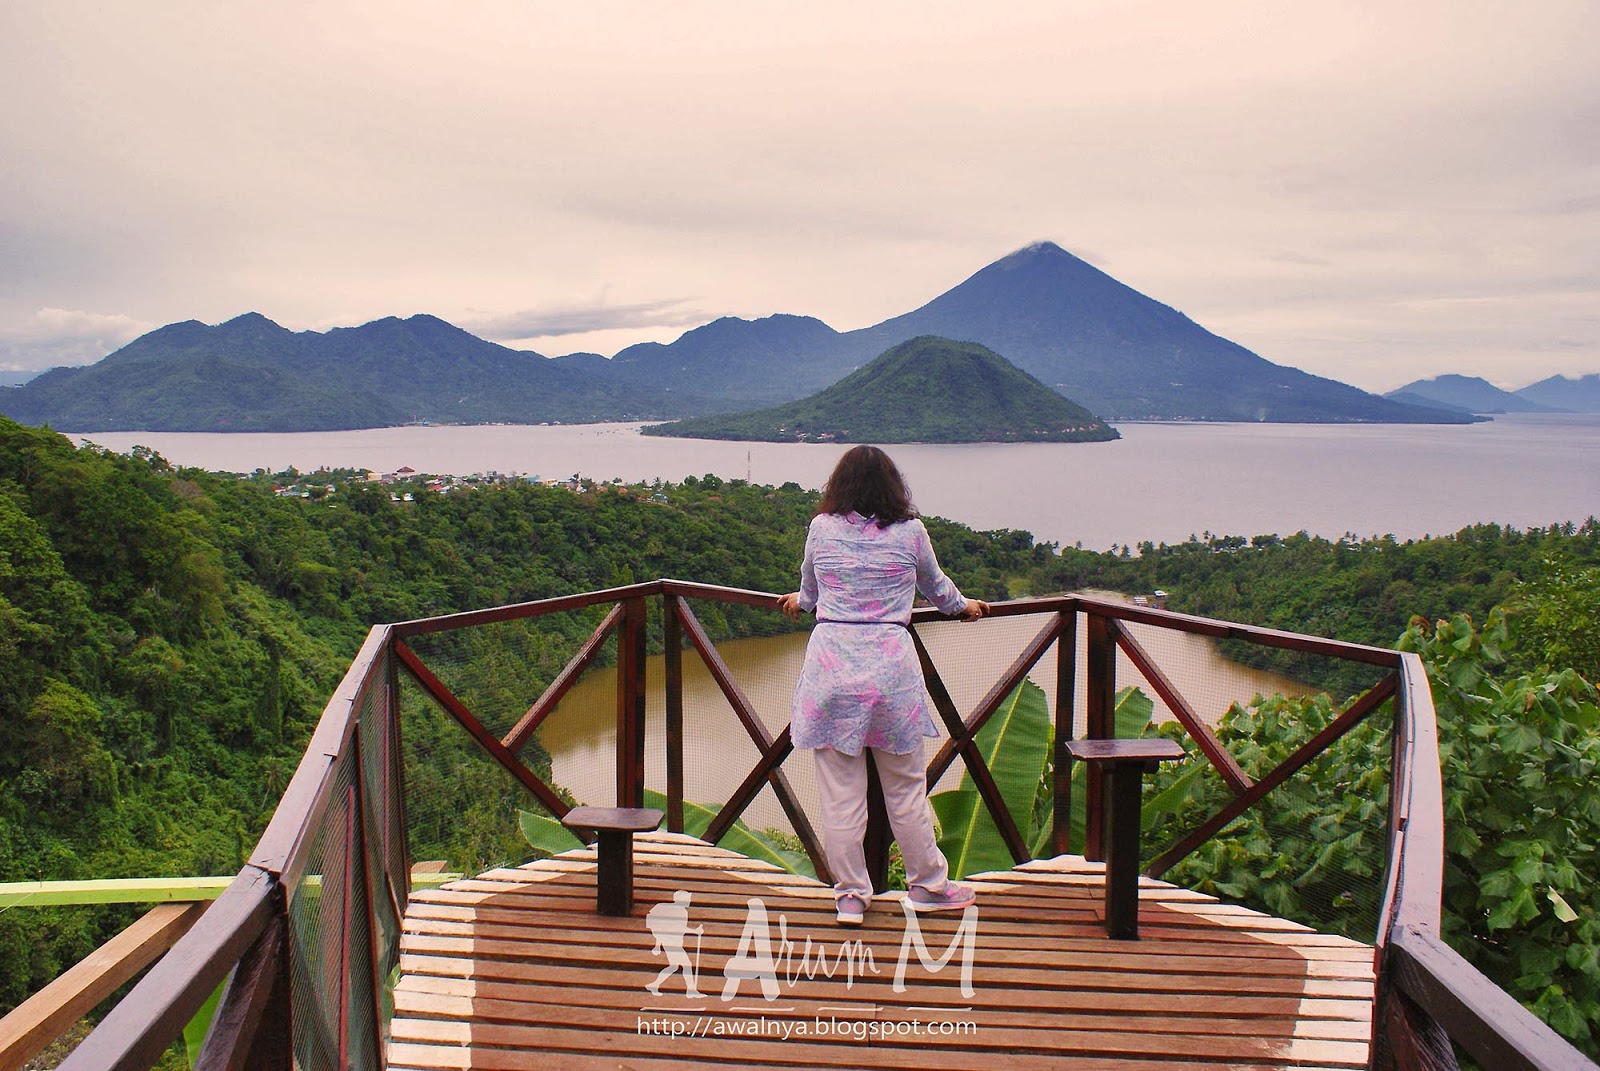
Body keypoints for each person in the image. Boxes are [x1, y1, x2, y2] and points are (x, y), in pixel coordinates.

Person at [778, 445, 990, 926]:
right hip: (890, 674)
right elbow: (939, 590)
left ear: (839, 485)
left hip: (831, 669)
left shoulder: (821, 529)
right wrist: (967, 607)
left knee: (840, 794)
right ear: (895, 486)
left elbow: (809, 594)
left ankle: (851, 895)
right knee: (906, 791)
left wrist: (797, 600)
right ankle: (929, 886)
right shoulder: (910, 533)